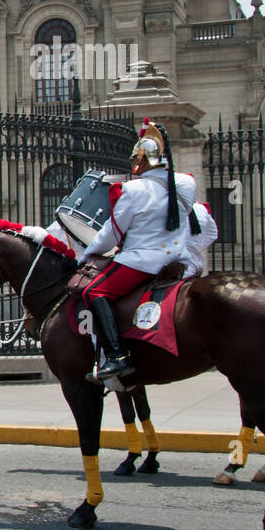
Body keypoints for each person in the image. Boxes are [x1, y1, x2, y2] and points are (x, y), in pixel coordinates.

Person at [76, 119, 195, 381]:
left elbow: (112, 234)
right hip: (181, 259)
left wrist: (87, 254)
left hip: (143, 262)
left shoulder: (132, 190)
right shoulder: (185, 184)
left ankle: (118, 357)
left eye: (136, 160)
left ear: (141, 160)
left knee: (93, 291)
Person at [181, 201, 218, 279]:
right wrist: (195, 247)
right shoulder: (200, 208)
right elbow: (212, 234)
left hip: (179, 269)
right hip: (197, 264)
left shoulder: (162, 206)